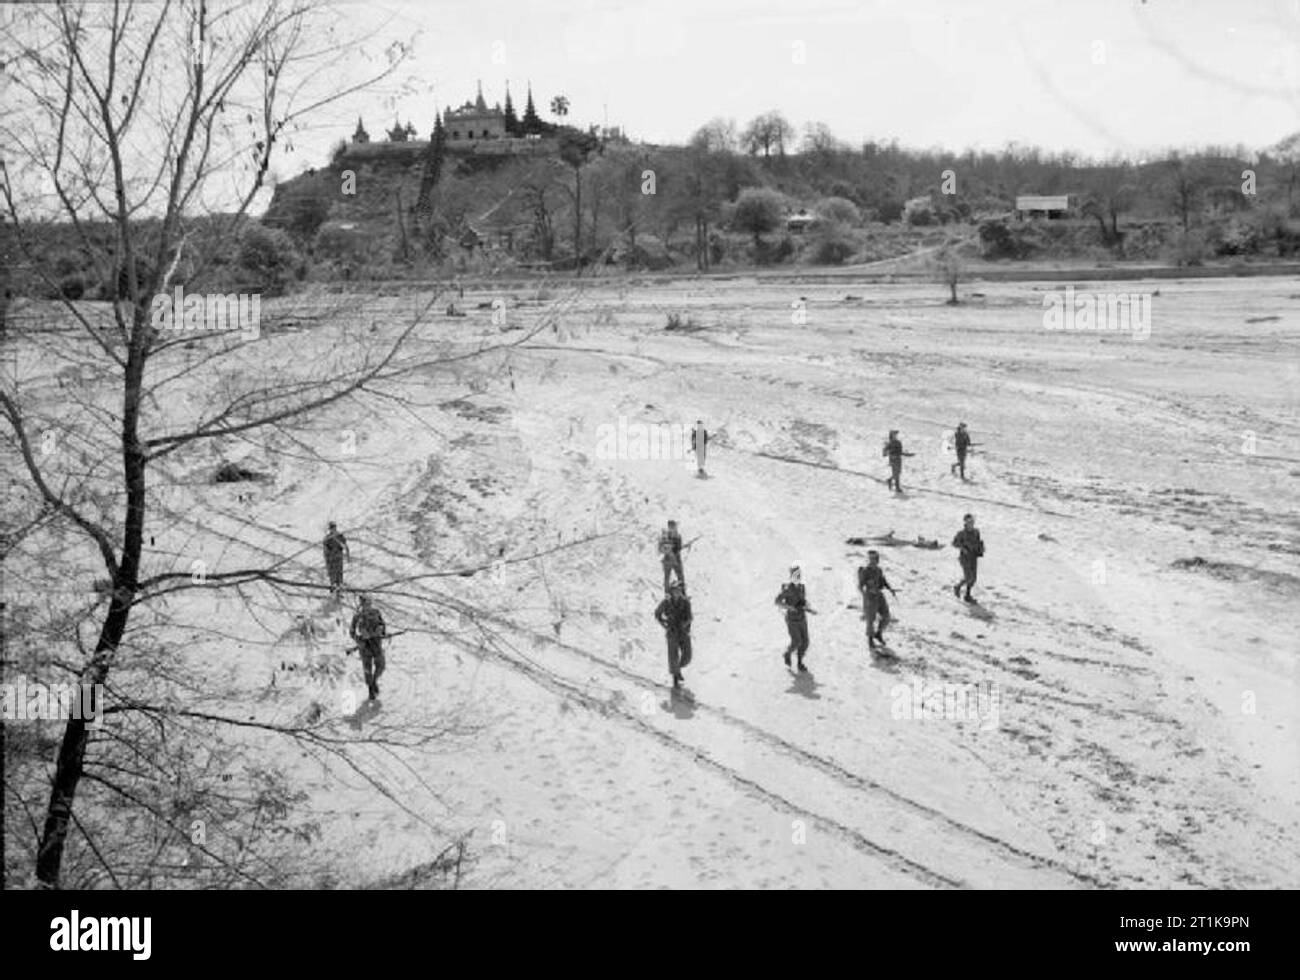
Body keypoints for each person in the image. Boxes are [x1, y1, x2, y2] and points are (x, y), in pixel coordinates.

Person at [654, 581, 693, 689]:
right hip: (672, 632)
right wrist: (664, 624)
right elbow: (657, 614)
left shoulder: (685, 602)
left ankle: (678, 668)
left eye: (679, 591)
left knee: (687, 656)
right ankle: (675, 676)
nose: (677, 593)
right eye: (675, 591)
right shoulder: (666, 602)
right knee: (673, 656)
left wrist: (684, 624)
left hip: (683, 631)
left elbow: (690, 617)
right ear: (671, 592)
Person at [858, 550, 898, 652]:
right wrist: (865, 596)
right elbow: (860, 586)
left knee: (886, 617)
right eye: (870, 559)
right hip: (870, 597)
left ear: (877, 560)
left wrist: (890, 589)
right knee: (870, 620)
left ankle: (878, 634)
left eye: (874, 559)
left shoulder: (879, 570)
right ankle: (870, 640)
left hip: (879, 596)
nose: (872, 561)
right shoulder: (865, 571)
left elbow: (883, 581)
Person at [350, 594, 387, 700]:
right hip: (364, 646)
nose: (368, 605)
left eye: (369, 603)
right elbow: (352, 632)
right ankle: (370, 688)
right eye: (366, 603)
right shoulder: (357, 616)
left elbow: (383, 624)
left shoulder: (376, 612)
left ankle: (374, 681)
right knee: (367, 669)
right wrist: (359, 639)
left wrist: (381, 630)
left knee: (381, 665)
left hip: (376, 643)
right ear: (362, 604)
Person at [775, 565, 811, 671]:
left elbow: (803, 601)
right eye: (795, 575)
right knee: (796, 642)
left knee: (805, 642)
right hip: (792, 620)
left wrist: (807, 606)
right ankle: (787, 653)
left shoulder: (802, 587)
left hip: (802, 618)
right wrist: (790, 607)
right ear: (791, 576)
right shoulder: (787, 589)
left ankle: (800, 662)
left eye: (799, 575)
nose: (797, 577)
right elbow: (777, 602)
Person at [952, 513, 985, 603]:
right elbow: (954, 543)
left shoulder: (976, 532)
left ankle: (967, 595)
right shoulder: (961, 534)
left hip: (973, 557)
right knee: (968, 577)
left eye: (972, 521)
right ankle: (957, 587)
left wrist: (981, 548)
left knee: (973, 579)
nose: (971, 523)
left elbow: (978, 542)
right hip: (965, 558)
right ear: (965, 523)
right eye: (969, 522)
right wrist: (963, 548)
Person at [323, 522, 350, 596]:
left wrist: (348, 556)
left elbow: (345, 546)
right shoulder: (327, 538)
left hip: (339, 556)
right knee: (332, 571)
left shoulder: (340, 536)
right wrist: (326, 558)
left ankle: (340, 585)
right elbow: (325, 549)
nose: (333, 529)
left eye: (334, 527)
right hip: (331, 557)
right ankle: (333, 585)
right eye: (331, 528)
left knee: (339, 571)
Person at [659, 519, 686, 593]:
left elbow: (679, 547)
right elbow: (661, 548)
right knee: (667, 578)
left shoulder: (678, 536)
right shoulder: (665, 536)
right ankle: (667, 594)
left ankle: (683, 594)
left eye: (673, 526)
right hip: (668, 560)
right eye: (670, 526)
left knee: (680, 577)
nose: (672, 528)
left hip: (677, 559)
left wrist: (676, 548)